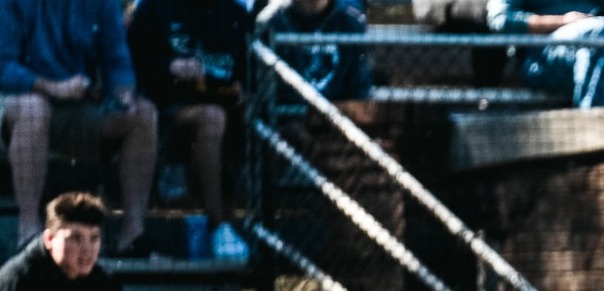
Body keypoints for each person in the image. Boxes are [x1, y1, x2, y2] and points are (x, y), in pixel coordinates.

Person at [0, 0, 159, 255]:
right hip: (18, 100)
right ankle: (28, 232)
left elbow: (117, 59)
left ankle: (133, 236)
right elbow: (4, 66)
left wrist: (124, 95)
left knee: (143, 115)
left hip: (76, 105)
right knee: (34, 110)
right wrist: (51, 87)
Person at [126, 0, 254, 261]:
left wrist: (245, 90)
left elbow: (249, 70)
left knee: (244, 117)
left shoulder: (235, 14)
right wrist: (169, 66)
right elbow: (131, 65)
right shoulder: (153, 8)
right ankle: (219, 226)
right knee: (212, 118)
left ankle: (259, 227)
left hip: (228, 110)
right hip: (166, 109)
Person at [487, 0, 604, 108]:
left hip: (599, 46)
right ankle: (592, 124)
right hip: (538, 56)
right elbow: (501, 19)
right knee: (598, 33)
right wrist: (563, 21)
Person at [255, 0, 375, 103]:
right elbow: (262, 96)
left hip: (337, 117)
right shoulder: (271, 22)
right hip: (284, 118)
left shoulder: (351, 23)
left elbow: (359, 91)